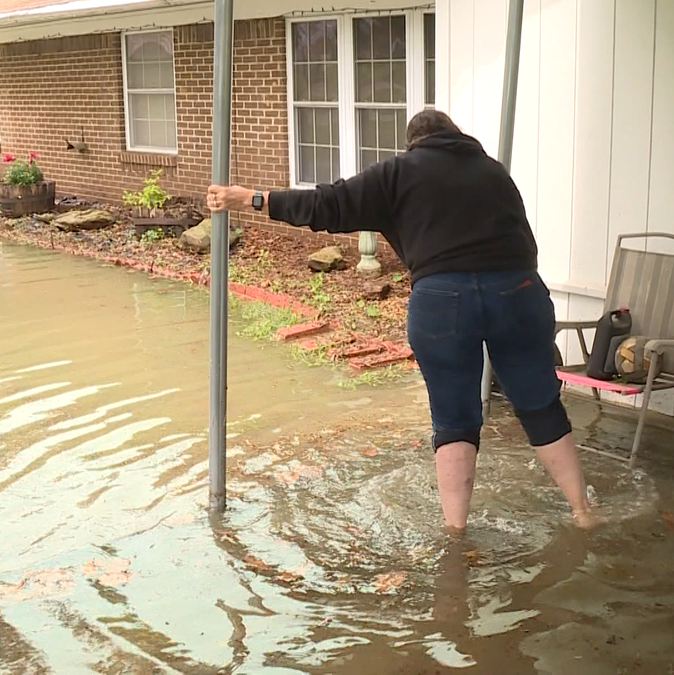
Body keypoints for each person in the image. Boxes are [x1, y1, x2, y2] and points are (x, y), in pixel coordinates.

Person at [206, 110, 593, 531]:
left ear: (414, 144)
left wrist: (250, 198)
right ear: (456, 136)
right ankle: (583, 511)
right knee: (540, 405)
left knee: (455, 420)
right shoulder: (493, 172)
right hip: (517, 291)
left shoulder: (398, 173)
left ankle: (456, 532)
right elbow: (526, 245)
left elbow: (326, 204)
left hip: (443, 299)